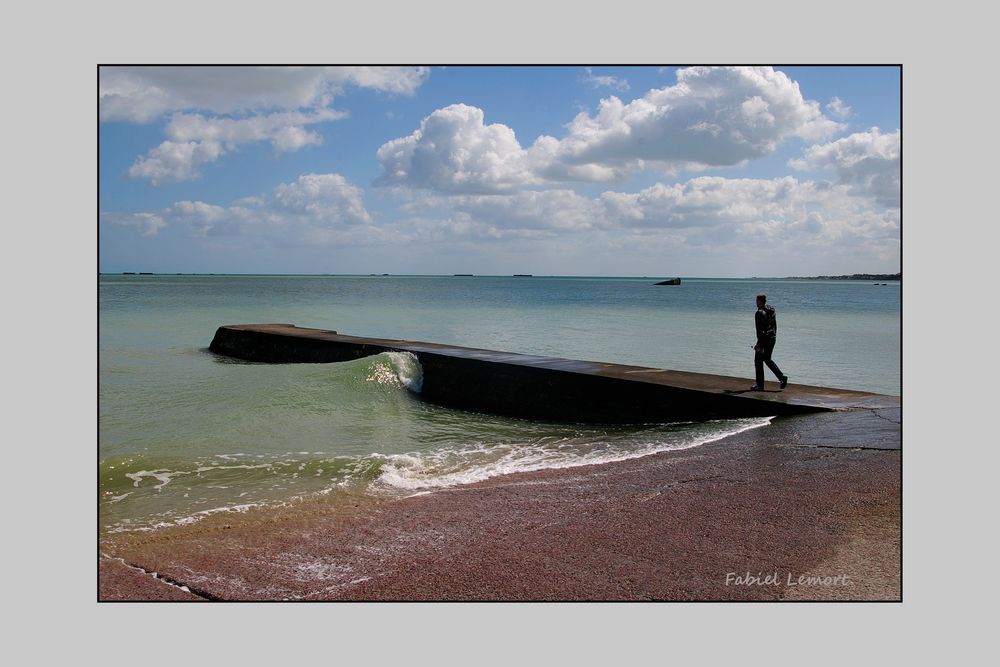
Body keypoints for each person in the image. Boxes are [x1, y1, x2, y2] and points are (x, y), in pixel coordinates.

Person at [750, 294, 788, 391]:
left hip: (764, 339)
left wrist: (759, 344)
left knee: (758, 362)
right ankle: (782, 378)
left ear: (759, 301)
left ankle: (760, 385)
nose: (755, 302)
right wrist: (773, 336)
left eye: (756, 300)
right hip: (772, 338)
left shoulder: (759, 313)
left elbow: (760, 330)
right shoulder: (771, 310)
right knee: (767, 359)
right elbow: (775, 325)